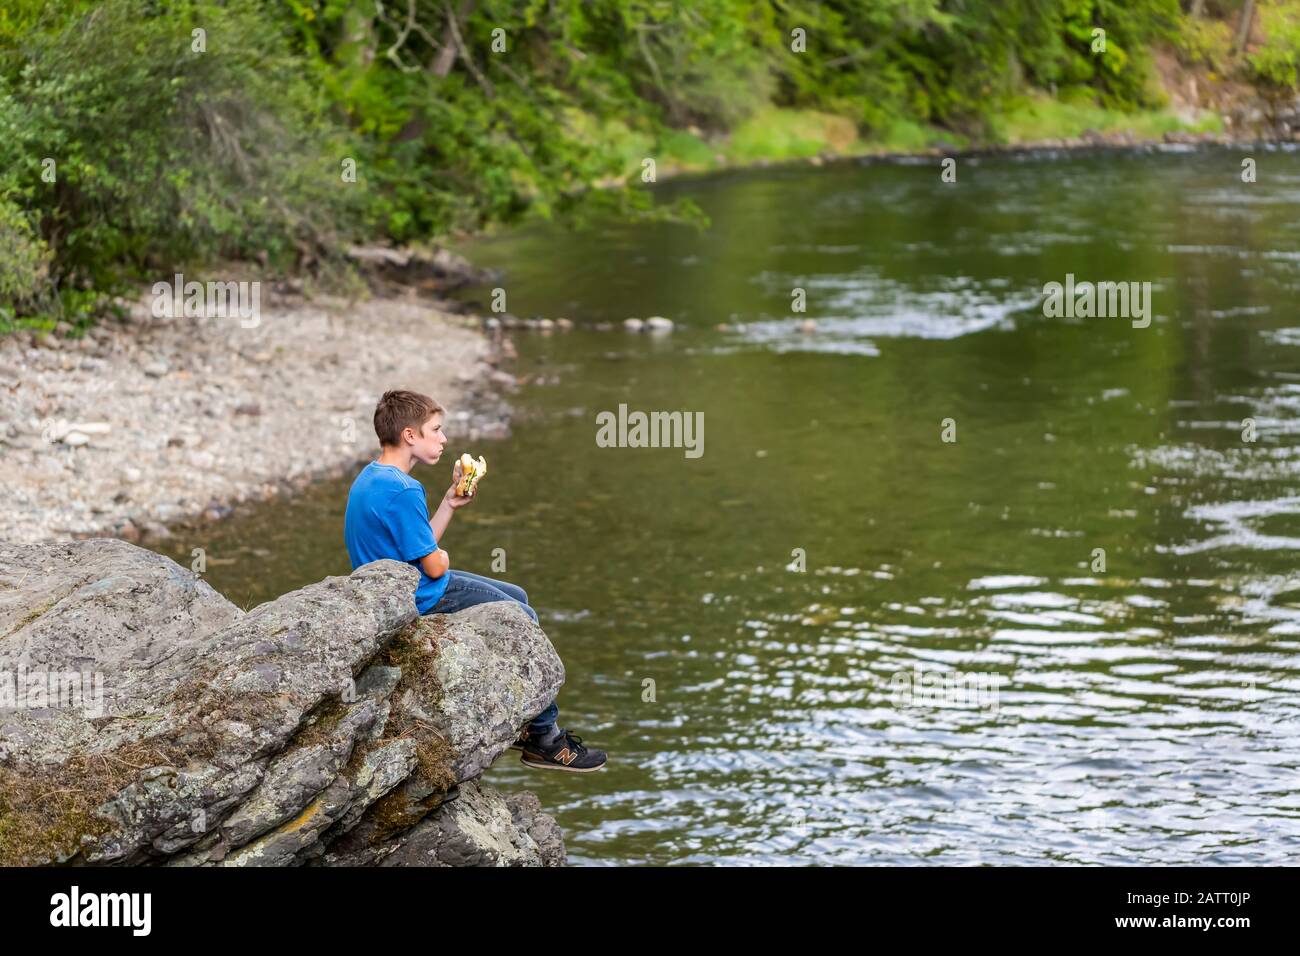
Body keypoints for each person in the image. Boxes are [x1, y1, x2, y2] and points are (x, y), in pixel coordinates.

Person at [343, 389, 606, 772]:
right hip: (415, 595)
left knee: (516, 593)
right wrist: (442, 559)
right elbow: (433, 565)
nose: (444, 439)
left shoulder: (374, 477)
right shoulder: (403, 490)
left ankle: (528, 721)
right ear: (410, 435)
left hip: (392, 585)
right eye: (436, 429)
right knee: (520, 616)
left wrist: (449, 502)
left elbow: (417, 544)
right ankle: (544, 738)